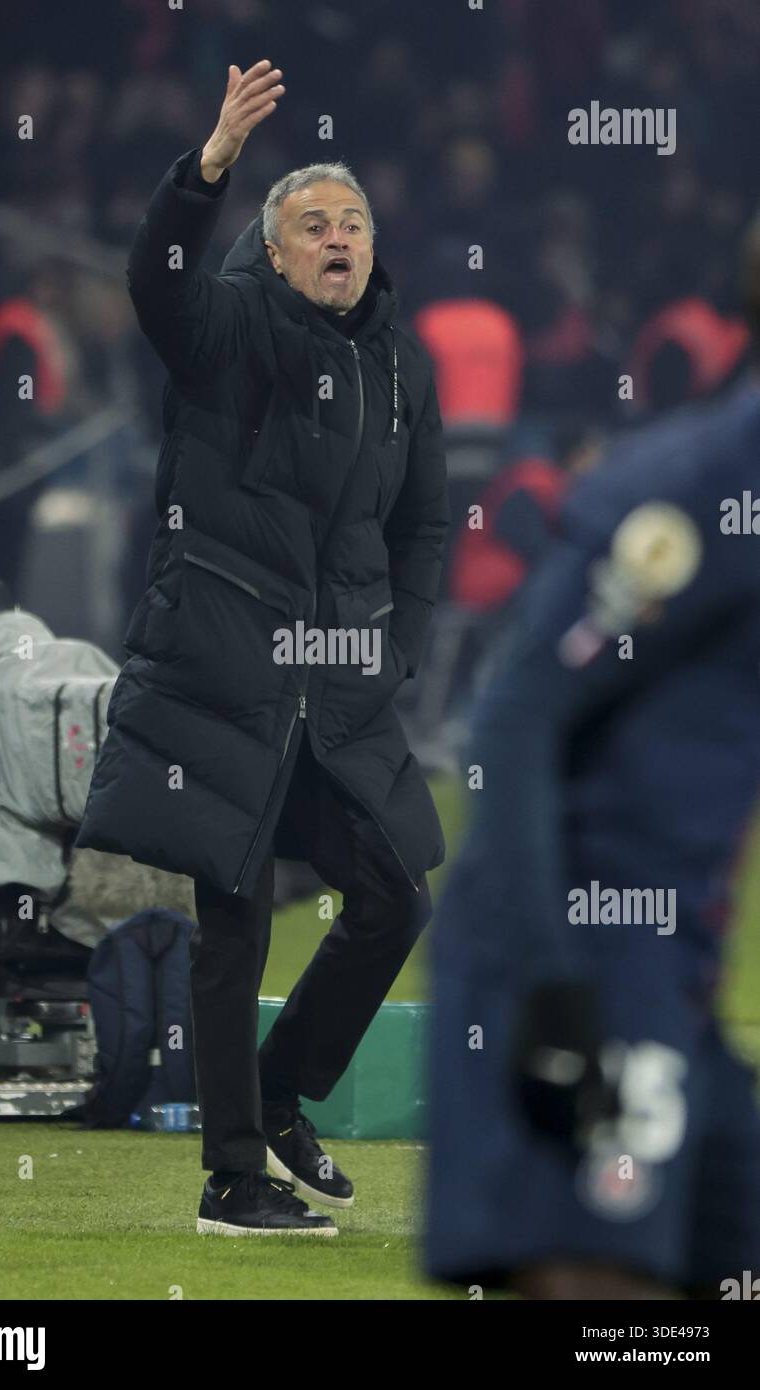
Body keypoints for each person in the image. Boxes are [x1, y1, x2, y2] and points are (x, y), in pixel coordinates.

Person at [76, 60, 449, 1236]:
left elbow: (421, 523)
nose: (335, 239)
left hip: (335, 690)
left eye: (350, 224)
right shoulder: (226, 327)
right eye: (310, 226)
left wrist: (397, 650)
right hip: (223, 681)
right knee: (231, 921)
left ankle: (282, 1093)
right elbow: (155, 277)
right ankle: (231, 1177)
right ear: (275, 252)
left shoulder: (399, 365)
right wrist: (210, 167)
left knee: (391, 896)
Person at [425, 218, 760, 1299]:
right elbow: (518, 715)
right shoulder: (703, 486)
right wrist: (548, 986)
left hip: (671, 977)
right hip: (585, 971)